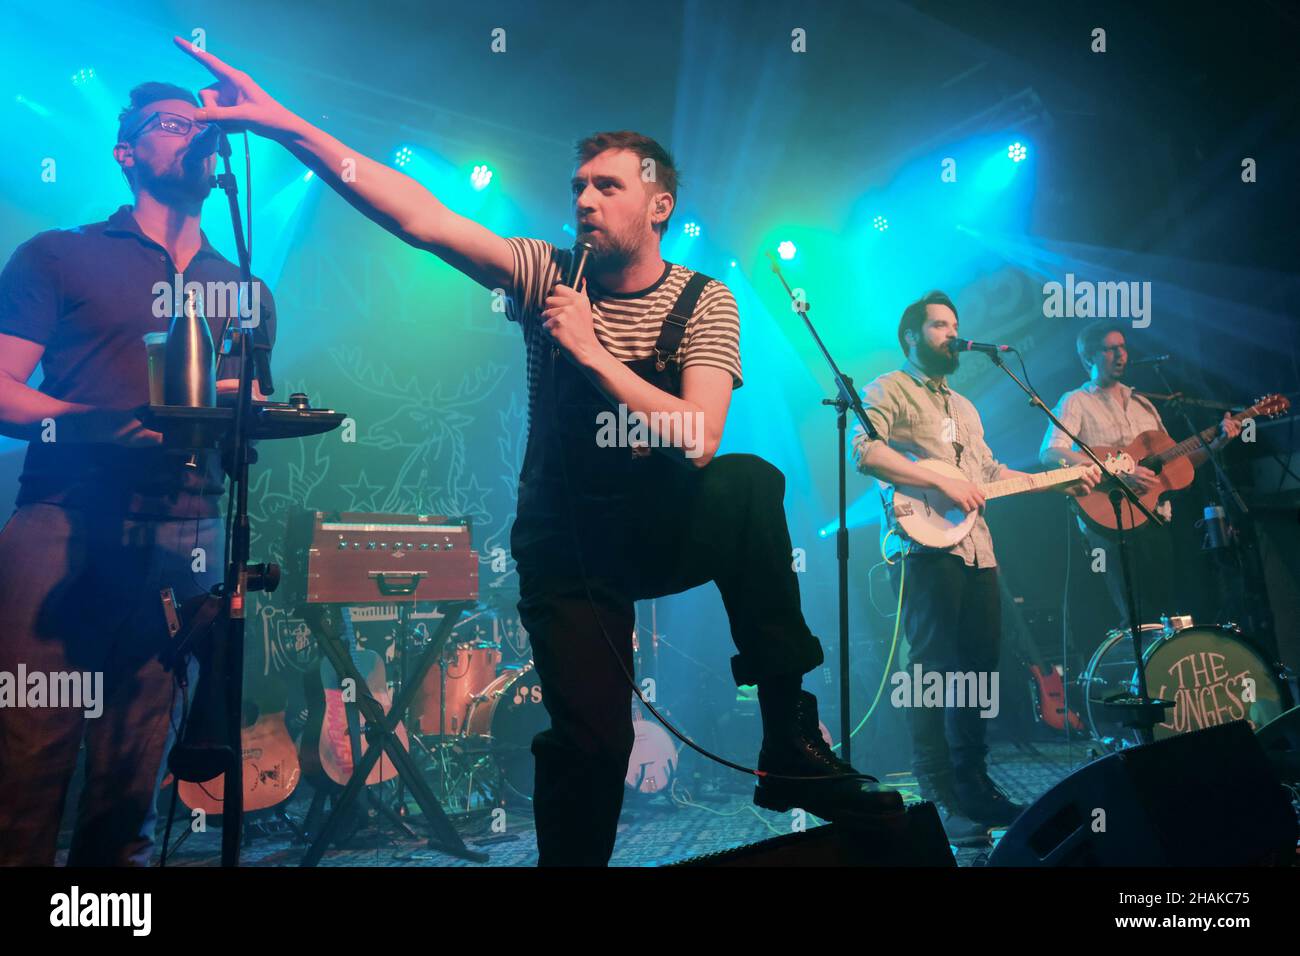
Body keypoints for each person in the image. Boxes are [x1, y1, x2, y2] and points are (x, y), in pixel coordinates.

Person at [170, 37, 903, 866]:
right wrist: (283, 126)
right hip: (566, 540)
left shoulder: (706, 299)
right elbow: (422, 218)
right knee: (592, 744)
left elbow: (699, 437)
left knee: (748, 483)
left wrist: (594, 353)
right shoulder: (543, 272)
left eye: (608, 186)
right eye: (578, 187)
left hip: (657, 524)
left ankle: (788, 741)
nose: (585, 200)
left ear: (657, 205)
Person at [0, 82, 277, 865]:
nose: (192, 132)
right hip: (64, 521)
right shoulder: (59, 253)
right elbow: (2, 386)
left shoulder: (244, 283)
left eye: (202, 124)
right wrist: (88, 420)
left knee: (131, 781)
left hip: (185, 529)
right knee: (27, 766)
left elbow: (246, 399)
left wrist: (241, 402)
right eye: (168, 123)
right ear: (126, 154)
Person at [853, 291, 1099, 841]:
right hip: (923, 550)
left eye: (954, 325)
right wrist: (939, 478)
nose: (951, 334)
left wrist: (1063, 477)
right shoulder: (886, 388)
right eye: (939, 326)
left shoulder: (966, 408)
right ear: (911, 337)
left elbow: (990, 474)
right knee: (934, 671)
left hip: (979, 552)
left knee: (978, 671)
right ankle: (937, 791)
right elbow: (866, 452)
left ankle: (974, 783)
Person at [1038, 321, 1241, 626]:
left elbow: (1179, 464)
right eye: (1111, 349)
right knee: (1136, 618)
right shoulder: (1076, 401)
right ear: (1089, 356)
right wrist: (1114, 474)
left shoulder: (1144, 405)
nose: (1122, 354)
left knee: (1166, 615)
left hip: (1155, 517)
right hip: (1110, 519)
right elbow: (1050, 453)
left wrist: (1220, 442)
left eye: (1123, 347)